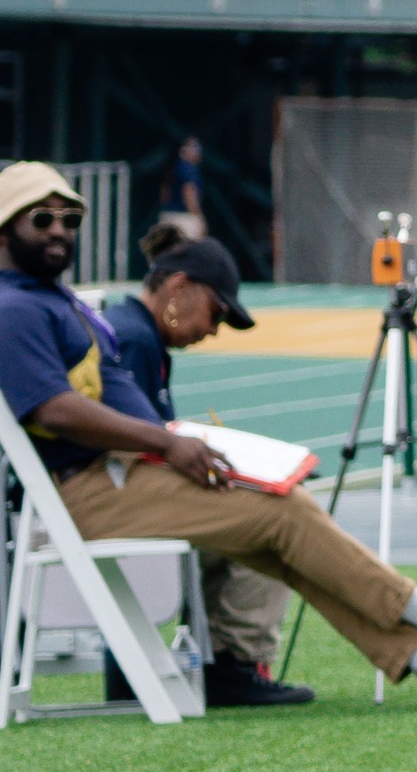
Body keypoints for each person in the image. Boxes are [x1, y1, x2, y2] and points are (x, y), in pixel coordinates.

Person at [0, 161, 417, 710]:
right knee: (282, 513)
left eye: (69, 219)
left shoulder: (43, 301)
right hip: (85, 492)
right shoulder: (12, 308)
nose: (59, 230)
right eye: (42, 219)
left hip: (101, 483)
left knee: (276, 525)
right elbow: (52, 408)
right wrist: (168, 444)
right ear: (1, 231)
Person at [97, 235, 306, 709]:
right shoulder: (133, 339)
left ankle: (219, 663)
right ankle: (232, 667)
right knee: (269, 520)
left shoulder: (134, 332)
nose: (212, 331)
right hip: (121, 515)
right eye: (214, 313)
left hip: (115, 508)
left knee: (254, 499)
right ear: (179, 287)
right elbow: (130, 448)